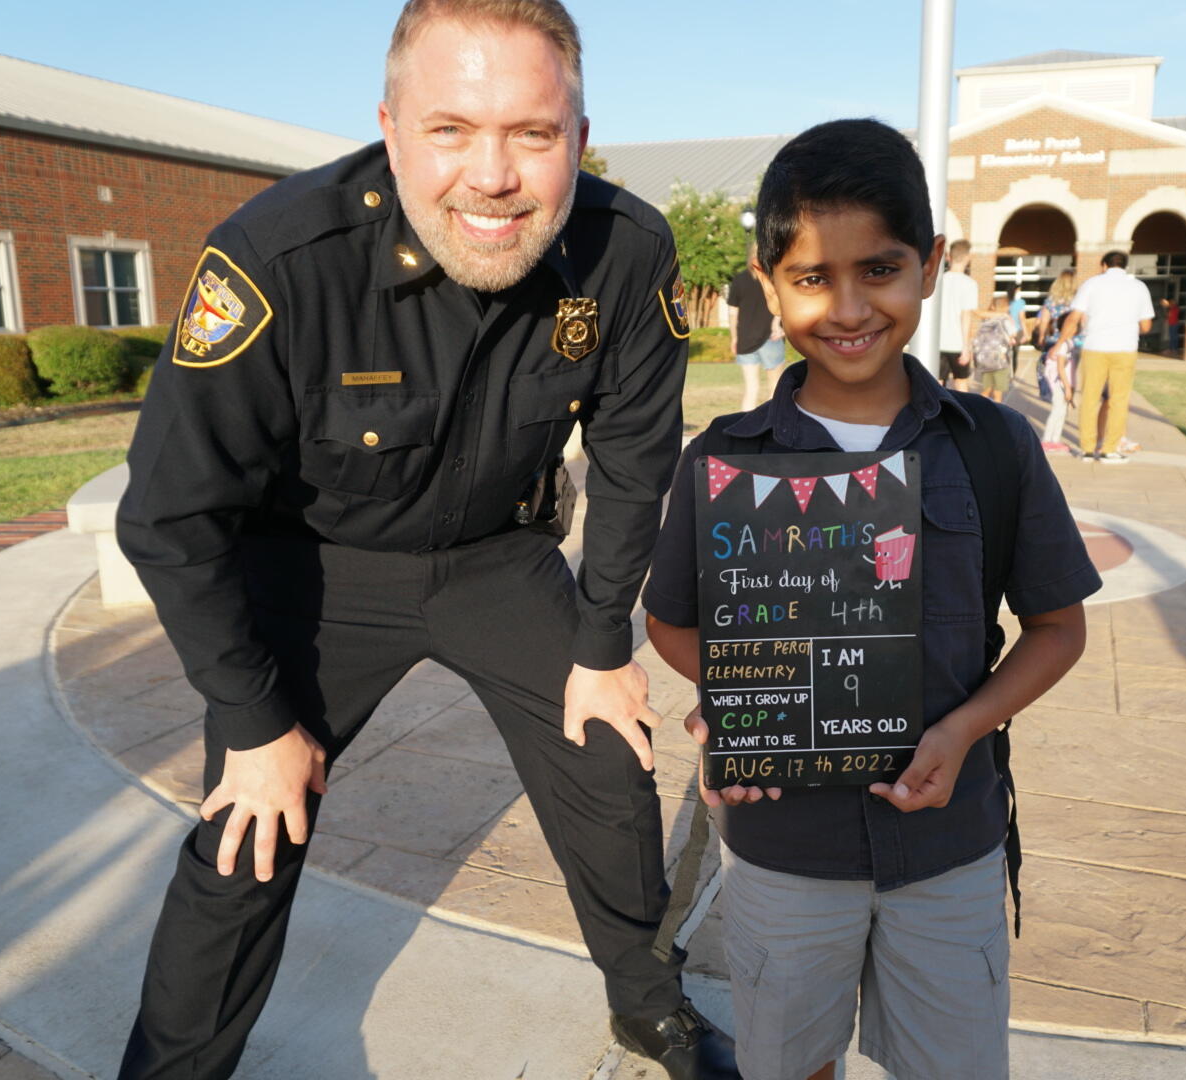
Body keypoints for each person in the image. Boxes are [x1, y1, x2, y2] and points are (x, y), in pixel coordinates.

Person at [113, 3, 739, 1078]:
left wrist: (602, 647)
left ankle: (648, 1005)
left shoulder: (626, 253)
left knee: (609, 761)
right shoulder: (279, 258)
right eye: (450, 129)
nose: (491, 177)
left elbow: (636, 460)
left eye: (532, 134)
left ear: (579, 139)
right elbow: (169, 515)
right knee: (251, 825)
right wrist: (255, 722)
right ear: (390, 130)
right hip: (314, 566)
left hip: (496, 559)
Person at [640, 118, 1098, 1080]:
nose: (848, 308)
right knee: (790, 1061)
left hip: (949, 847)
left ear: (930, 264)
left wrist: (965, 728)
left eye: (880, 269)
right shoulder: (722, 460)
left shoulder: (993, 447)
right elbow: (671, 623)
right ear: (768, 285)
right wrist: (744, 694)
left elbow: (1058, 629)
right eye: (811, 277)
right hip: (785, 848)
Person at [1060, 250, 1154, 463]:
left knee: (1090, 398)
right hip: (1125, 348)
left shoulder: (1091, 284)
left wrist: (1060, 343)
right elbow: (1146, 325)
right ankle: (1109, 449)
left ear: (1104, 265)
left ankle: (1086, 448)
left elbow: (1073, 318)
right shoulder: (1138, 287)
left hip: (1094, 346)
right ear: (1125, 265)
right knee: (1119, 399)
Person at [729, 243, 786, 411]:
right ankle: (771, 425)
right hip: (771, 337)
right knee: (775, 388)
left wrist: (734, 338)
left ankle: (747, 425)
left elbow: (732, 313)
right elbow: (782, 303)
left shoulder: (739, 279)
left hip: (745, 340)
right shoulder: (775, 277)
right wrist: (777, 325)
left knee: (751, 389)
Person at [936, 239, 979, 390]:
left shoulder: (937, 281)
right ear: (968, 257)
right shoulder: (969, 284)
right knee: (961, 383)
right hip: (957, 344)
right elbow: (966, 316)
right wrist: (966, 347)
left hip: (937, 342)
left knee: (937, 384)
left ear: (949, 256)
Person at [1033, 268, 1077, 402]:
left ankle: (1053, 394)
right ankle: (1066, 395)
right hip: (1070, 342)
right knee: (1068, 372)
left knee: (1050, 370)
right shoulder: (1076, 301)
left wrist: (1041, 337)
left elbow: (1044, 321)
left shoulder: (1051, 300)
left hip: (1053, 341)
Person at [970, 293, 1017, 403]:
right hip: (1001, 361)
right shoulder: (1005, 320)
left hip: (986, 361)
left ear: (993, 306)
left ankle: (979, 407)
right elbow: (1013, 335)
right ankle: (997, 411)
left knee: (986, 390)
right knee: (997, 393)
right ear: (1007, 307)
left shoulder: (986, 320)